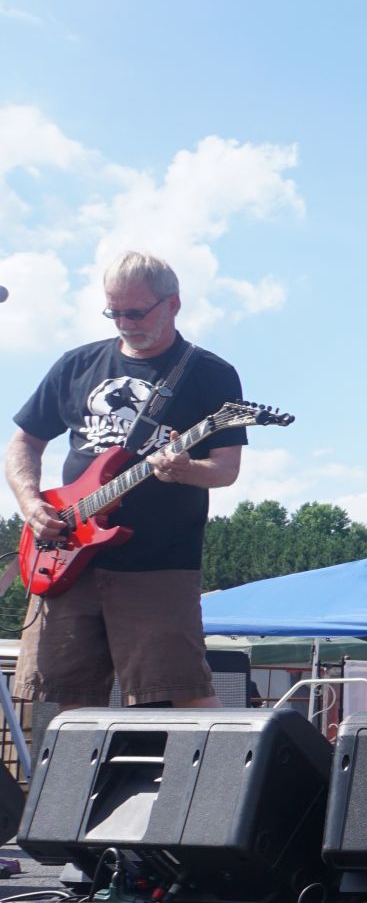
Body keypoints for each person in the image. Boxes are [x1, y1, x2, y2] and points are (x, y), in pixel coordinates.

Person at [8, 252, 246, 711]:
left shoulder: (210, 373)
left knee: (184, 696)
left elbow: (226, 469)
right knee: (63, 700)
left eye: (135, 312)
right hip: (65, 557)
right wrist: (31, 503)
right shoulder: (76, 365)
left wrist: (185, 470)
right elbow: (24, 442)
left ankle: (220, 763)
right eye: (113, 312)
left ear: (172, 304)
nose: (123, 323)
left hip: (158, 566)